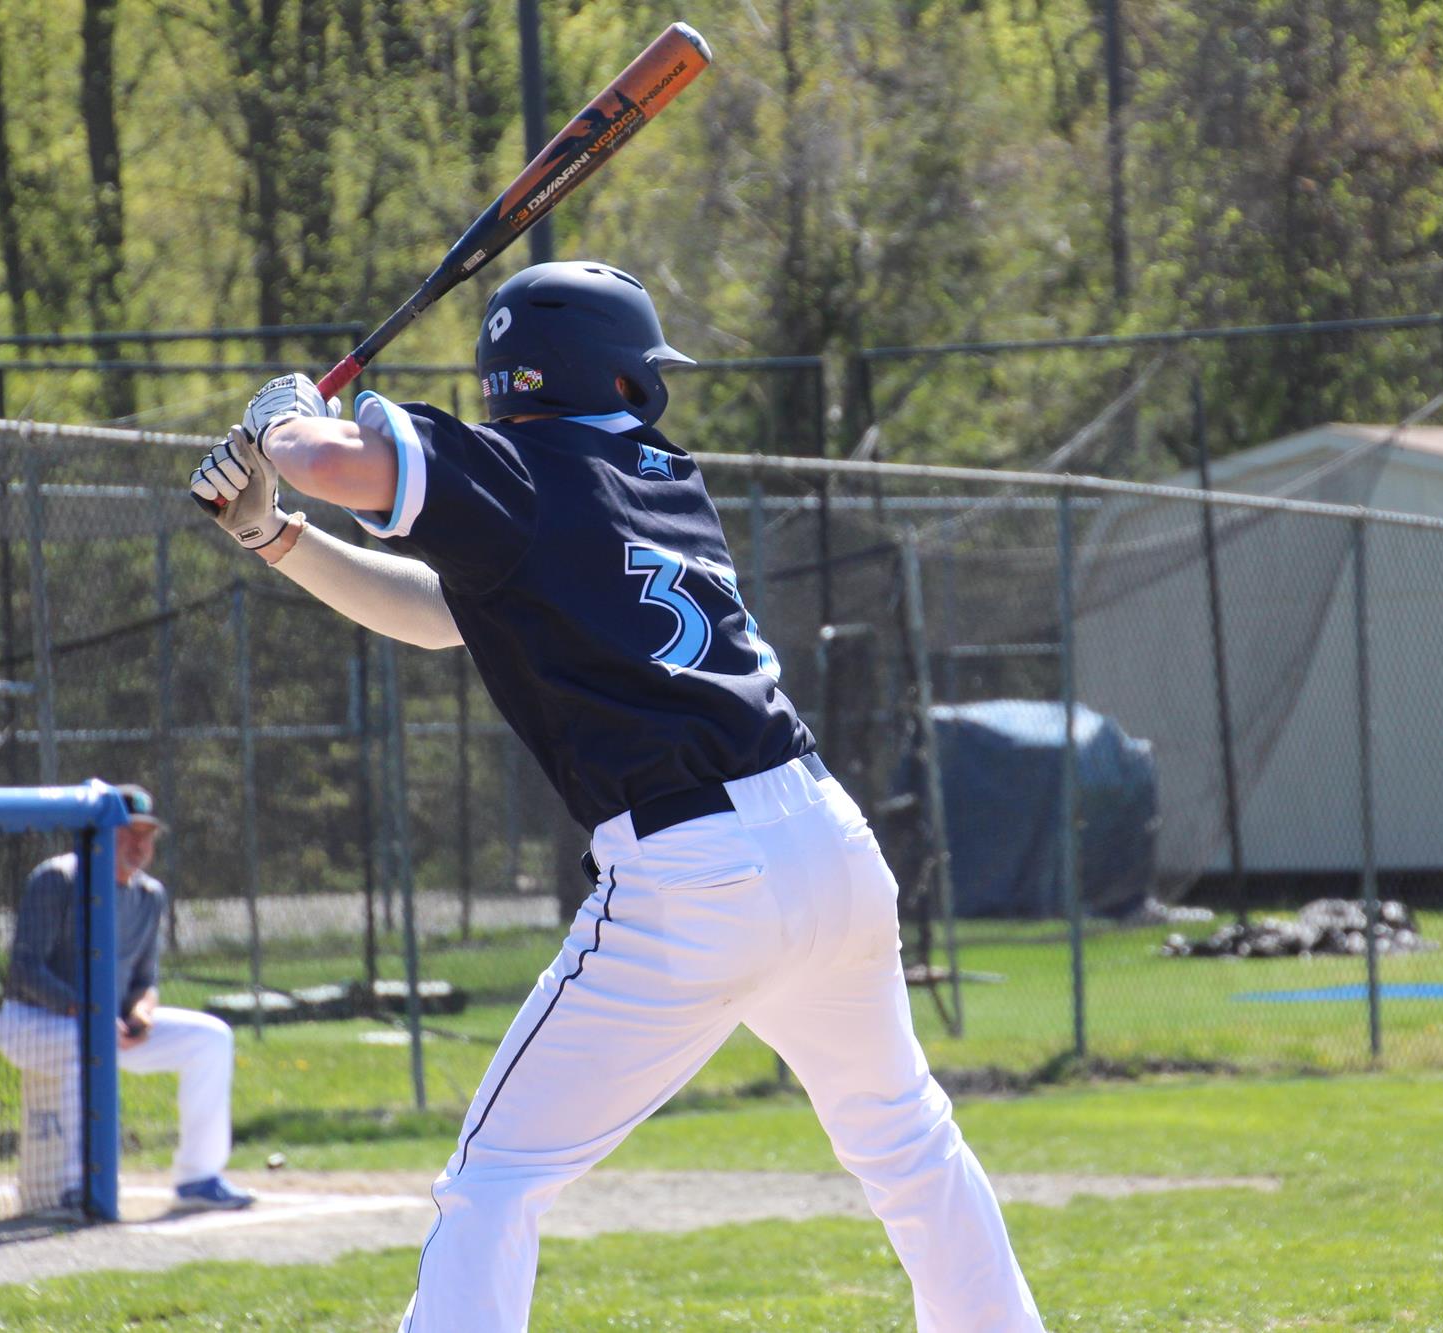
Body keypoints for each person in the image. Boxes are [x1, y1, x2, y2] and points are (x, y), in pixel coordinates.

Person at [190, 261, 1045, 1331]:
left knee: (493, 1177)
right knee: (908, 1141)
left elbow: (330, 460)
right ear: (615, 373)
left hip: (693, 875)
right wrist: (277, 535)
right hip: (826, 844)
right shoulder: (646, 481)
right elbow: (441, 614)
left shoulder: (517, 471)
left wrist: (282, 419)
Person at [0, 783, 253, 1212]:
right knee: (90, 1044)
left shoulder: (149, 895)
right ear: (100, 833)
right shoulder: (58, 878)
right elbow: (24, 971)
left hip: (106, 1027)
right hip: (30, 1023)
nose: (139, 843)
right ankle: (76, 1185)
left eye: (146, 834)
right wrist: (90, 1014)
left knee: (212, 1038)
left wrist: (141, 1012)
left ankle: (198, 1178)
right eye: (128, 831)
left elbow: (145, 981)